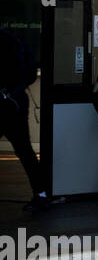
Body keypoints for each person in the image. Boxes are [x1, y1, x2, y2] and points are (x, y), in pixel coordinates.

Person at [0, 25, 58, 210]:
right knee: (24, 149)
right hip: (16, 100)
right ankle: (40, 193)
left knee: (24, 149)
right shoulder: (16, 40)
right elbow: (31, 73)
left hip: (5, 100)